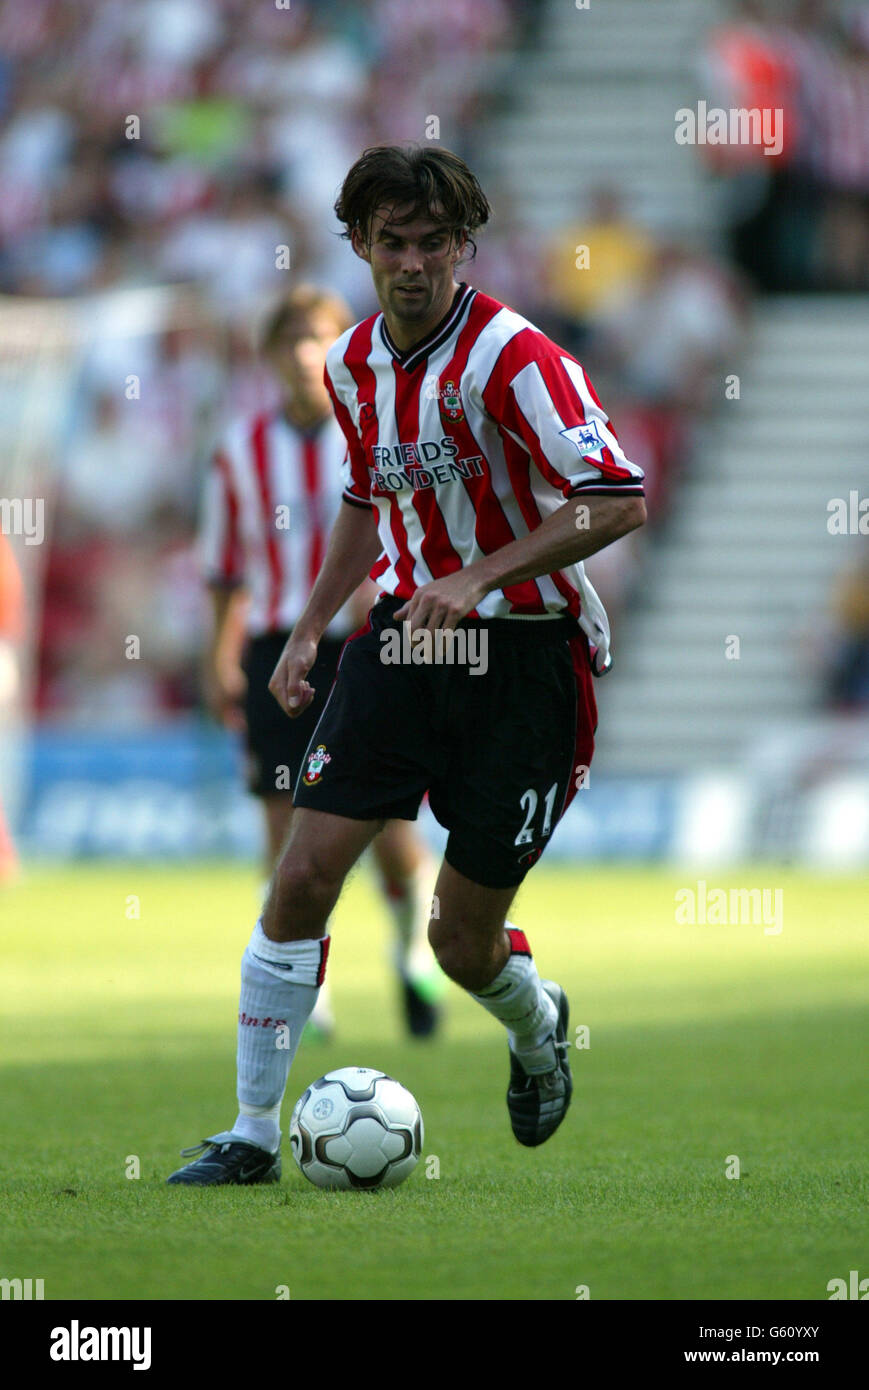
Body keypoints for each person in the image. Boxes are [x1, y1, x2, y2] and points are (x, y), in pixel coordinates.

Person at [169, 145, 645, 1186]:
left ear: (463, 246)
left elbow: (615, 497)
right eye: (392, 242)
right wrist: (305, 626)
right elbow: (363, 498)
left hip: (523, 659)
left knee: (459, 944)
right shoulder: (349, 367)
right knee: (299, 877)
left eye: (434, 242)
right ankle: (250, 1131)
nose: (413, 262)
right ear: (358, 246)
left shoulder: (516, 357)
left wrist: (479, 574)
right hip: (403, 639)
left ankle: (536, 1022)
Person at [197, 284, 442, 1045]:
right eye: (291, 341)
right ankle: (314, 997)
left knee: (391, 837)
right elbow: (224, 571)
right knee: (284, 833)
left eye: (321, 339)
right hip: (276, 651)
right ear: (269, 356)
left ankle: (410, 954)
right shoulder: (238, 451)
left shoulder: (373, 435)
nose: (306, 355)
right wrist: (219, 659)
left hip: (364, 648)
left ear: (342, 349)